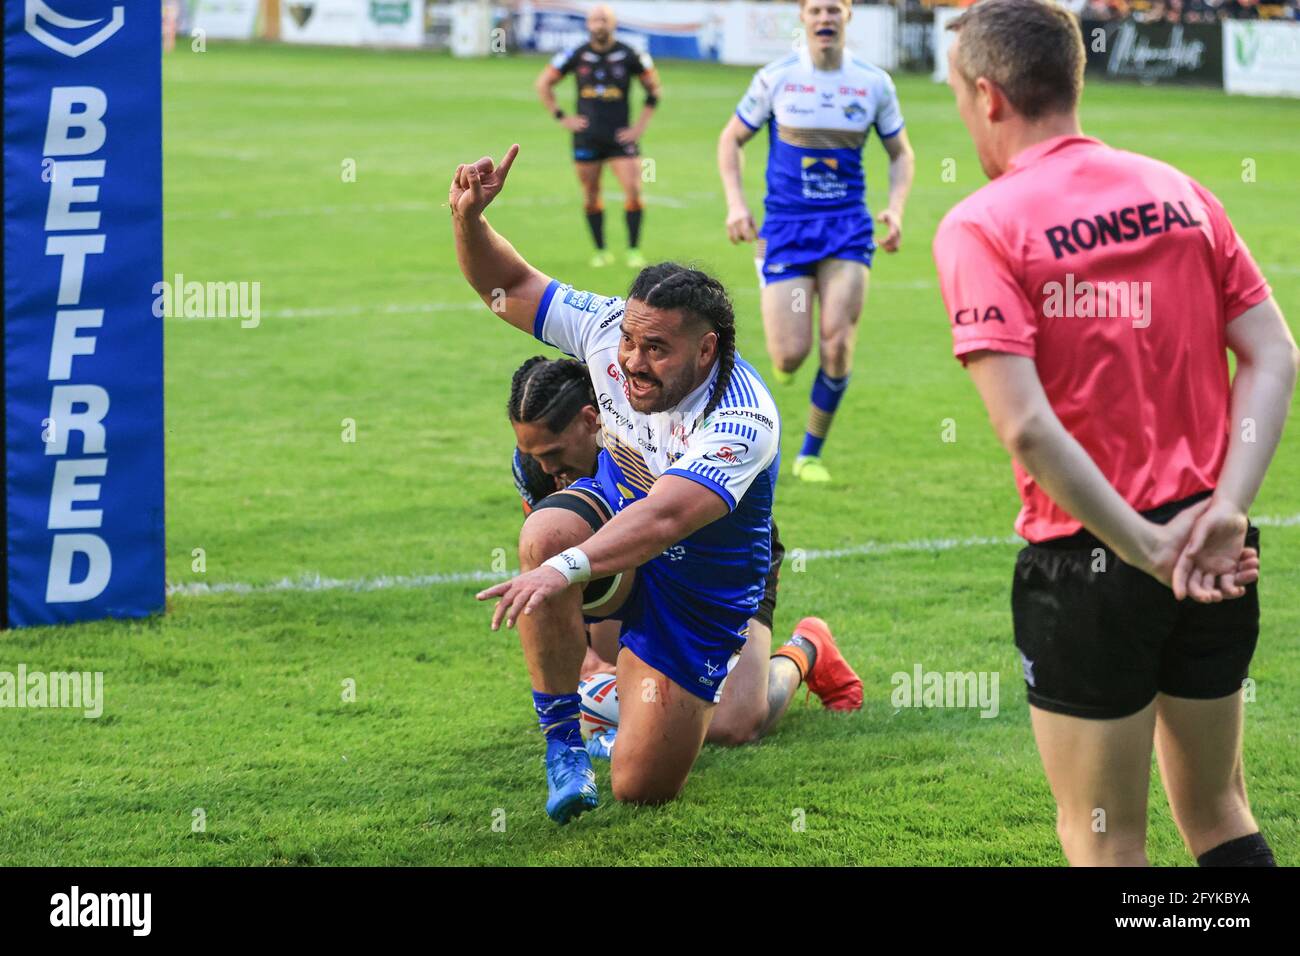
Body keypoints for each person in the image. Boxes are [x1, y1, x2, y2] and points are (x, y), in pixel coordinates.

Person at [934, 0, 1296, 866]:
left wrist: (1141, 547)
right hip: (1215, 548)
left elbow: (1024, 426)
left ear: (987, 97)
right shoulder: (1181, 192)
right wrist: (1227, 509)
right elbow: (1275, 356)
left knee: (1105, 841)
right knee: (1219, 811)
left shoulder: (983, 222)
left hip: (1093, 557)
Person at [451, 144, 860, 824]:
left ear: (707, 350)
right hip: (619, 517)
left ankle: (799, 649)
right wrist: (470, 220)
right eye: (630, 345)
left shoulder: (742, 416)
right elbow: (510, 288)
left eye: (656, 351)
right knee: (546, 531)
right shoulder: (610, 327)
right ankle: (565, 749)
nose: (632, 363)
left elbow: (668, 519)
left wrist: (563, 573)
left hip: (702, 578)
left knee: (660, 775)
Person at [506, 355, 862, 758]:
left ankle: (806, 648)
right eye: (531, 453)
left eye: (552, 451)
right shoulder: (536, 465)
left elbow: (674, 520)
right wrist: (585, 661)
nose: (546, 467)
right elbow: (548, 559)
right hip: (623, 562)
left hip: (716, 558)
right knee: (621, 679)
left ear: (592, 419)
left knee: (734, 724)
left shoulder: (648, 434)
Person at [718, 0, 915, 483]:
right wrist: (737, 205)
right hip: (785, 228)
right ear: (803, 19)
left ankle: (810, 453)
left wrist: (896, 207)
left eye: (834, 9)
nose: (824, 18)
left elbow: (901, 154)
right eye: (815, 10)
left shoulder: (873, 83)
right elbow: (731, 141)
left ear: (848, 16)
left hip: (847, 227)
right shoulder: (776, 78)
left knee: (838, 343)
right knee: (789, 354)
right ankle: (787, 354)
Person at [535, 4, 661, 269]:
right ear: (588, 24)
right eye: (594, 20)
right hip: (586, 137)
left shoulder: (631, 54)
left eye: (604, 19)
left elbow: (654, 89)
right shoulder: (576, 54)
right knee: (591, 194)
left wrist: (639, 127)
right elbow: (543, 83)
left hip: (621, 138)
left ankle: (633, 250)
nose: (599, 24)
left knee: (634, 191)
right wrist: (562, 117)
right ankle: (601, 250)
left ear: (613, 23)